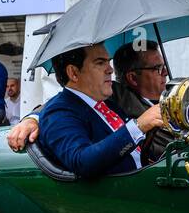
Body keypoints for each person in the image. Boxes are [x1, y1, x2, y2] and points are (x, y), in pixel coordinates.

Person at [35, 42, 164, 178]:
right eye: (100, 63)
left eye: (108, 62)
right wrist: (138, 126)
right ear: (73, 73)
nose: (110, 70)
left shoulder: (107, 101)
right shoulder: (59, 112)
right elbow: (81, 162)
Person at [110, 41, 171, 163]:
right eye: (158, 68)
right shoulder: (128, 112)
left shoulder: (174, 96)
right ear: (132, 78)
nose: (165, 72)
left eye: (164, 66)